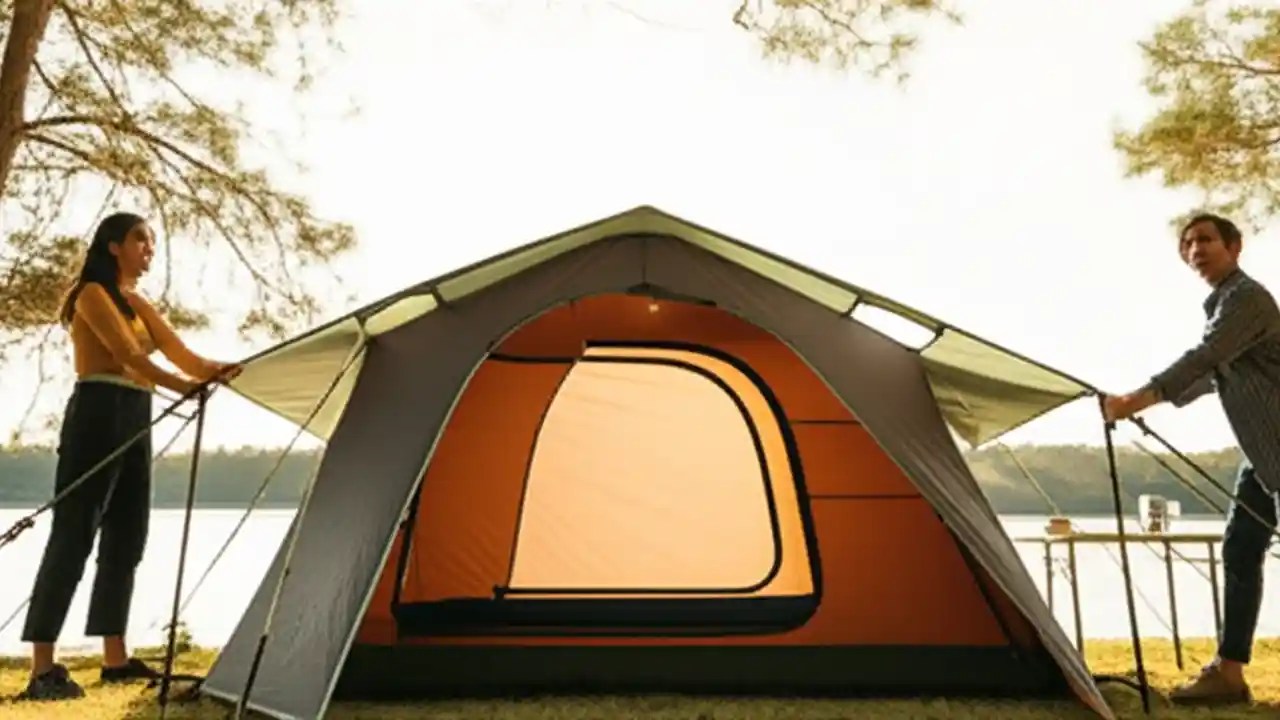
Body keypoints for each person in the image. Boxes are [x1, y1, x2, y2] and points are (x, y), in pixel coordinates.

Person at [18, 212, 241, 701]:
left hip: (136, 416)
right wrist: (184, 387)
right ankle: (42, 668)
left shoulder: (138, 302)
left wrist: (222, 371)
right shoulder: (92, 295)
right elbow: (130, 357)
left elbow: (182, 354)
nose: (149, 248)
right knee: (73, 535)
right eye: (140, 239)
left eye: (152, 242)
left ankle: (114, 660)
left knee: (127, 536)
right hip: (97, 412)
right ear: (113, 246)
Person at [1103, 212, 1280, 706]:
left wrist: (1135, 400)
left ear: (1234, 246)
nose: (1195, 249)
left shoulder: (1246, 298)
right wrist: (1142, 401)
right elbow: (1210, 376)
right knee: (1242, 549)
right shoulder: (1224, 304)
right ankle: (1228, 674)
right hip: (1263, 456)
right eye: (1188, 244)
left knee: (1244, 550)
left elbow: (1204, 358)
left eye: (1206, 240)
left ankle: (1228, 671)